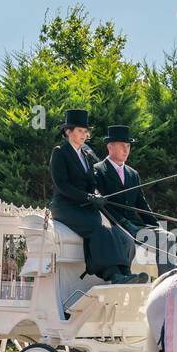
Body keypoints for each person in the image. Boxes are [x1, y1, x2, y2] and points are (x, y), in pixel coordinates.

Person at [48, 109, 143, 284]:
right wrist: (87, 197)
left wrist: (97, 196)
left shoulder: (85, 154)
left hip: (85, 205)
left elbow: (92, 184)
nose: (84, 135)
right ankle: (112, 274)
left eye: (85, 131)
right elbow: (62, 185)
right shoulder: (60, 152)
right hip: (65, 206)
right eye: (79, 131)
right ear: (68, 131)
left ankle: (124, 271)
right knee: (97, 227)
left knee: (114, 231)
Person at [93, 125, 170, 274]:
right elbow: (103, 206)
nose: (126, 150)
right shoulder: (97, 170)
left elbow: (141, 204)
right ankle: (124, 278)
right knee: (126, 241)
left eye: (128, 146)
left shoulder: (132, 174)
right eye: (122, 145)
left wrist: (155, 225)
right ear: (110, 147)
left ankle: (165, 282)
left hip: (135, 226)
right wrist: (122, 223)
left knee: (167, 237)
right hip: (113, 225)